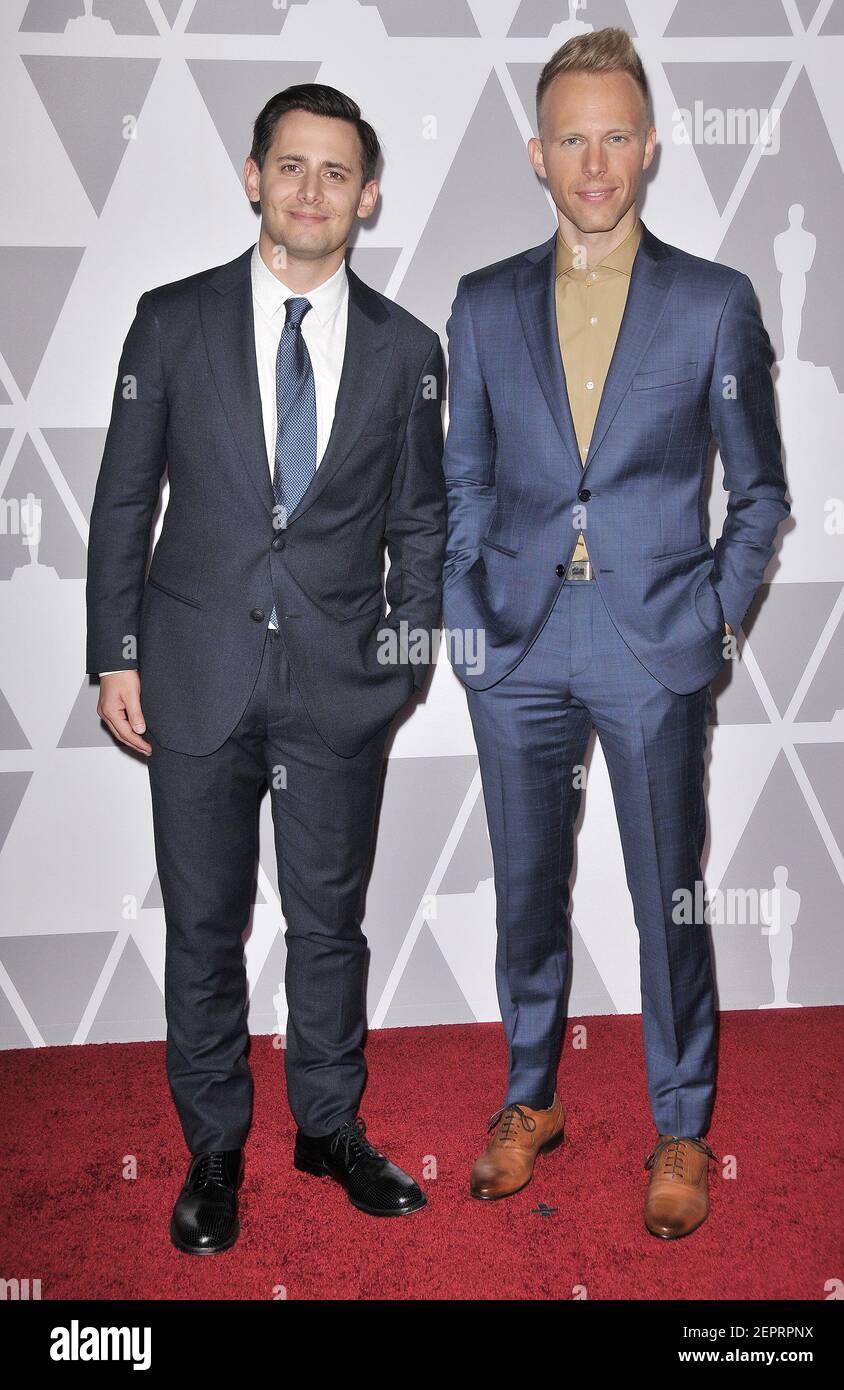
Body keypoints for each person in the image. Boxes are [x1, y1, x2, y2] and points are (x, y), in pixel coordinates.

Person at [86, 84, 446, 1253]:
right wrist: (114, 654)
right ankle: (213, 1148)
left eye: (335, 173)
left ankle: (328, 1127)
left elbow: (421, 528)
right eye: (290, 167)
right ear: (253, 177)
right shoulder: (170, 322)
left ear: (367, 195)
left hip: (338, 686)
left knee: (328, 925)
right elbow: (124, 501)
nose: (310, 191)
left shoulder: (405, 350)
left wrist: (401, 661)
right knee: (205, 924)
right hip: (191, 671)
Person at [442, 27, 789, 1237]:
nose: (595, 162)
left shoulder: (712, 302)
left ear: (647, 147)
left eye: (616, 136)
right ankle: (527, 1099)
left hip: (652, 645)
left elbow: (760, 495)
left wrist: (705, 617)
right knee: (526, 895)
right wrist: (462, 621)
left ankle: (680, 1122)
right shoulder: (483, 304)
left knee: (665, 897)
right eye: (571, 139)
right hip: (518, 644)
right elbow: (465, 485)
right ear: (537, 155)